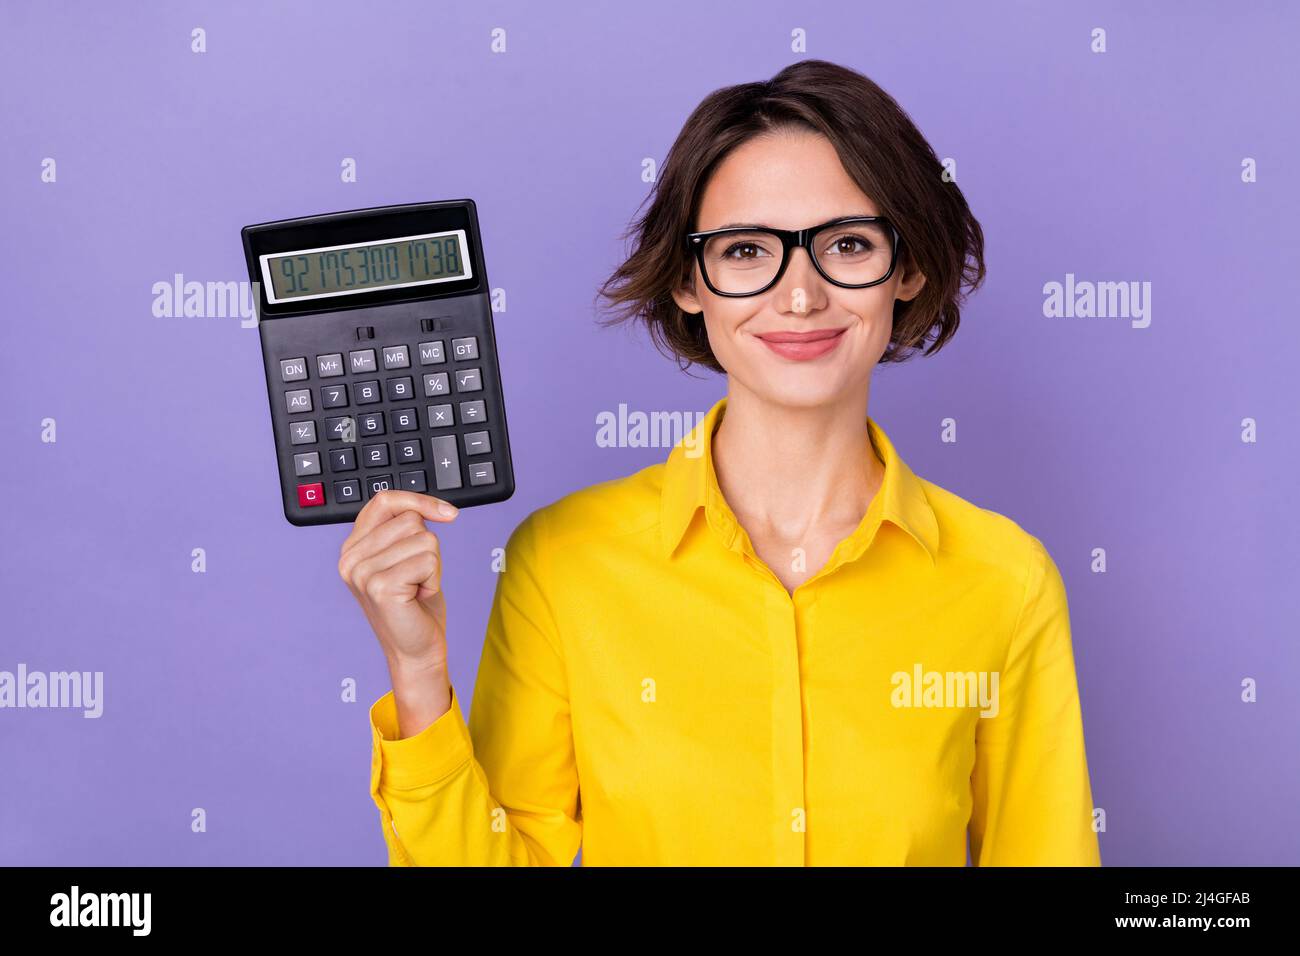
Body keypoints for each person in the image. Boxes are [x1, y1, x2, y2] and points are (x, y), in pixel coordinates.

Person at [338, 58, 1101, 866]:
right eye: (745, 251)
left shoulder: (1005, 579)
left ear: (906, 269)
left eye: (846, 244)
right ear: (689, 282)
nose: (799, 296)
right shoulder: (562, 564)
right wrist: (418, 671)